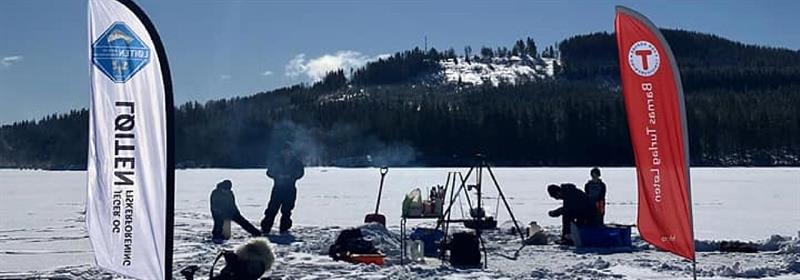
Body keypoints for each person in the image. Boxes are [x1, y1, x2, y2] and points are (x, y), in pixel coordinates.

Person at [261, 148, 305, 235]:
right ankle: (266, 228)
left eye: (288, 151)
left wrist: (291, 177)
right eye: (285, 151)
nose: (286, 153)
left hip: (290, 189)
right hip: (278, 189)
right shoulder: (277, 160)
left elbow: (300, 173)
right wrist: (277, 176)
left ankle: (284, 228)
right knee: (272, 209)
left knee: (287, 210)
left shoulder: (296, 162)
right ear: (282, 152)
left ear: (291, 152)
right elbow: (269, 172)